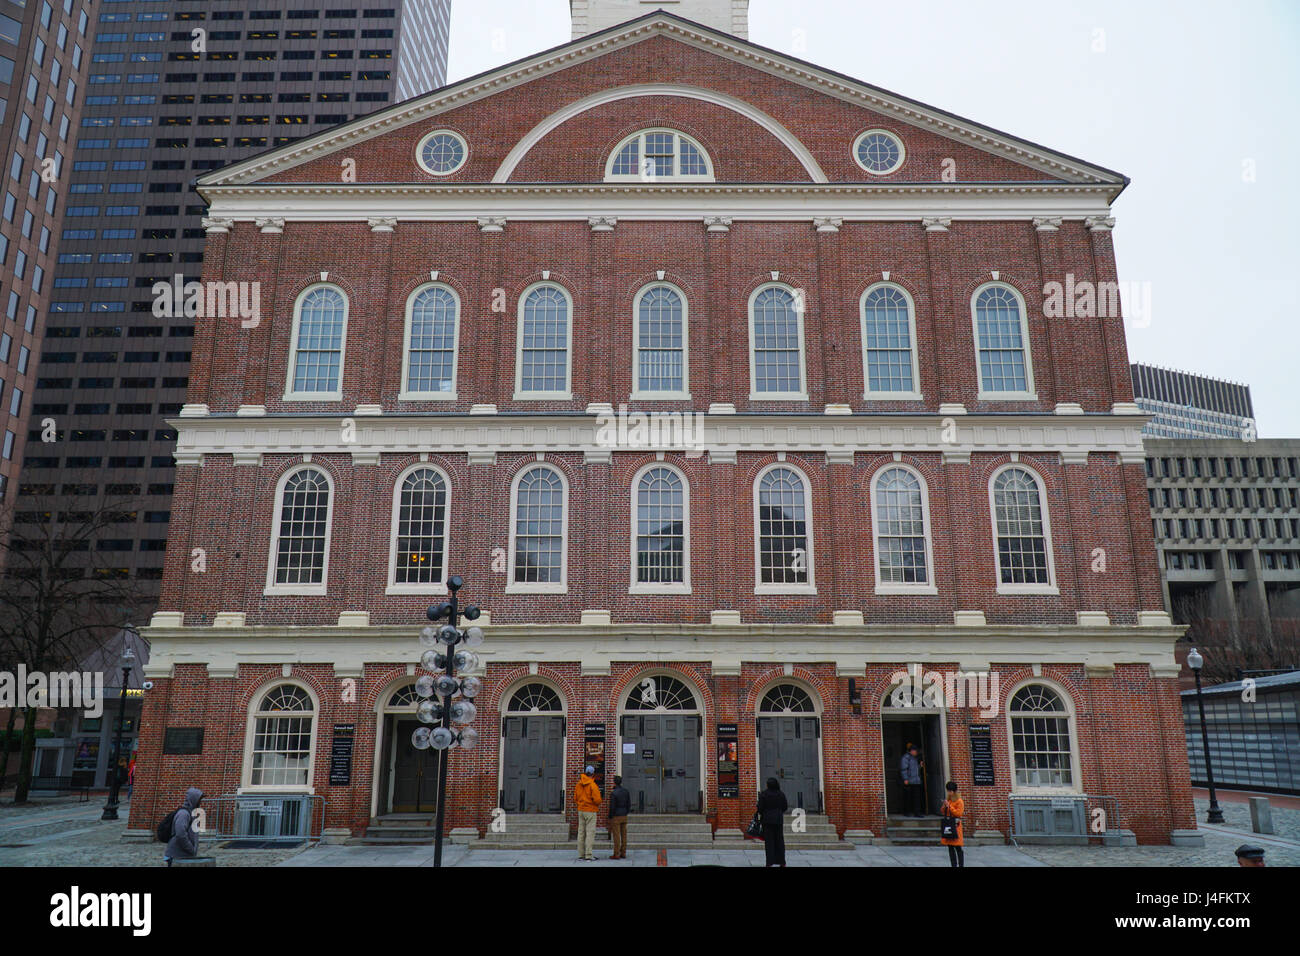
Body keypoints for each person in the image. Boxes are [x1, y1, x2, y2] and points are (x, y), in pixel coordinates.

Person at [164, 787, 203, 867]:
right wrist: (190, 849)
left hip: (183, 855)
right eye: (199, 800)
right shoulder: (184, 814)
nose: (200, 802)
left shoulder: (191, 813)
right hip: (177, 856)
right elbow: (180, 834)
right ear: (193, 799)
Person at [756, 777, 789, 867]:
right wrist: (778, 812)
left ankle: (769, 862)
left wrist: (764, 813)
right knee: (779, 841)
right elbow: (785, 806)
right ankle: (782, 862)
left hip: (767, 820)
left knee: (769, 842)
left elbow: (760, 808)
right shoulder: (781, 794)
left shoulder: (764, 794)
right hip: (778, 820)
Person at [573, 765, 602, 861]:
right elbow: (597, 800)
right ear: (593, 774)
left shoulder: (578, 784)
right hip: (590, 810)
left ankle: (581, 854)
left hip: (581, 810)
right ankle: (588, 855)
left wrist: (581, 804)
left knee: (581, 832)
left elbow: (575, 798)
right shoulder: (593, 785)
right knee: (590, 833)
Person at [940, 780, 964, 867]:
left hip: (956, 825)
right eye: (948, 791)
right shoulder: (949, 800)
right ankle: (953, 864)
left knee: (957, 847)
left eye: (950, 791)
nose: (949, 793)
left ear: (954, 791)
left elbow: (959, 813)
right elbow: (943, 811)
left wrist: (949, 807)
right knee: (950, 846)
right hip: (949, 824)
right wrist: (944, 806)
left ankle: (961, 864)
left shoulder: (959, 801)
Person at [607, 774, 631, 859]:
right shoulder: (626, 791)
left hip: (616, 816)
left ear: (614, 783)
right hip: (624, 815)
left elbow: (612, 806)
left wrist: (610, 816)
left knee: (616, 836)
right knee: (624, 835)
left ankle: (616, 854)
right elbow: (629, 804)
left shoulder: (614, 793)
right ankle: (623, 852)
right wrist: (626, 812)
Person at [900, 743, 923, 817]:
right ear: (912, 751)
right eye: (915, 751)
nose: (916, 752)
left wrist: (920, 766)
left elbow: (916, 770)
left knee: (916, 797)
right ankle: (907, 812)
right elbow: (903, 769)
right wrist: (905, 779)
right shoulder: (906, 758)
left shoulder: (915, 758)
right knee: (908, 797)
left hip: (916, 780)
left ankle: (917, 812)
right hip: (909, 780)